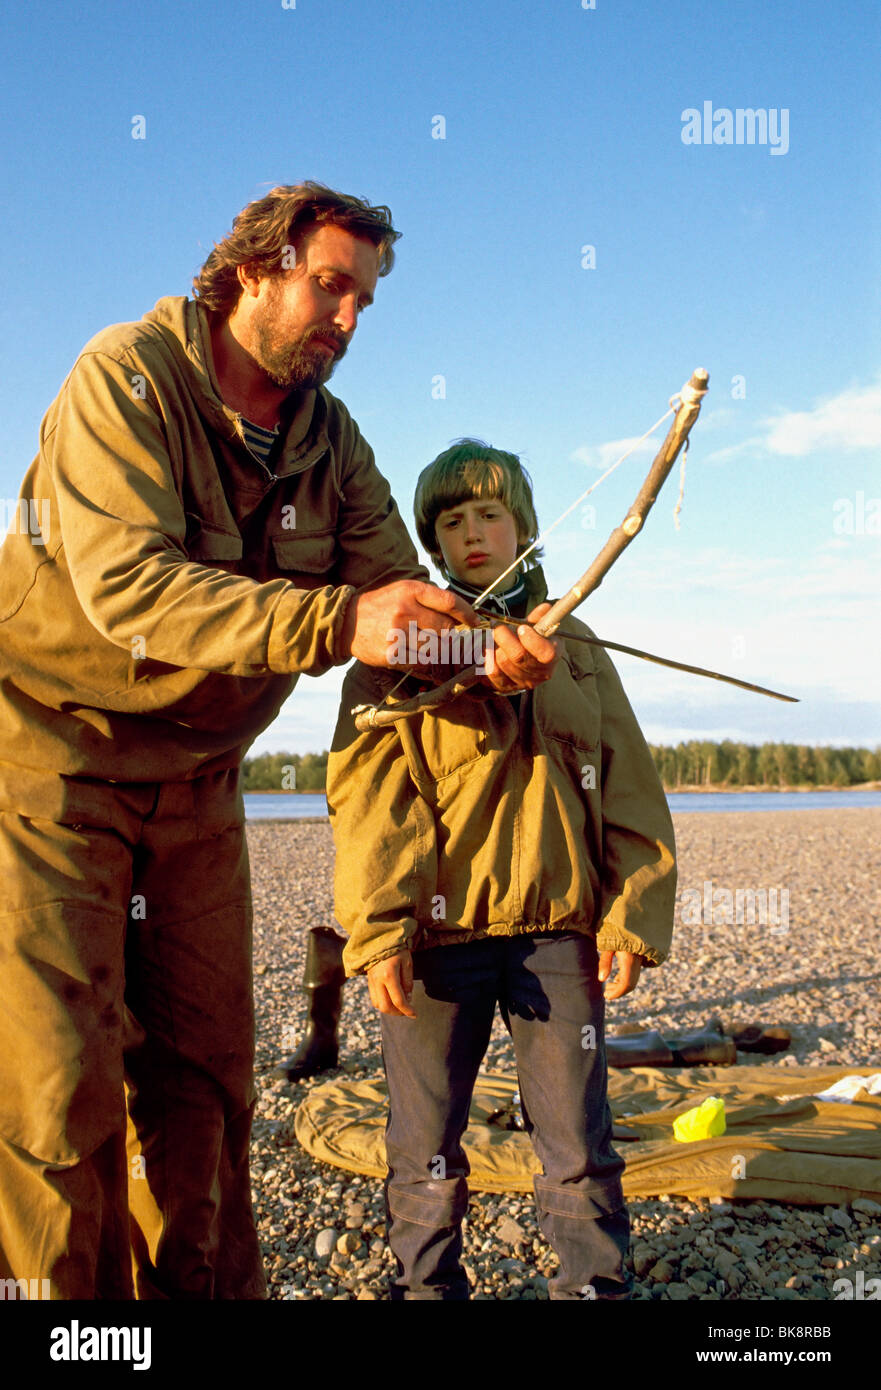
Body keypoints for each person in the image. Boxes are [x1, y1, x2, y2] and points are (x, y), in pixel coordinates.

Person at [0, 187, 557, 1300]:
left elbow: (397, 608)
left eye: (366, 297)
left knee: (208, 1083)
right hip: (44, 765)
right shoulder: (126, 378)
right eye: (329, 284)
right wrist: (342, 620)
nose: (348, 317)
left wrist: (485, 651)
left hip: (200, 783)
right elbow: (135, 593)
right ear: (250, 272)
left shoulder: (331, 442)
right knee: (56, 1098)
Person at [326, 440, 676, 1300]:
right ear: (432, 542)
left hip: (559, 935)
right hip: (435, 940)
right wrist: (377, 933)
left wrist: (632, 910)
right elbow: (369, 798)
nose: (473, 534)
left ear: (524, 523)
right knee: (424, 1145)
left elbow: (628, 780)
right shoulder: (402, 643)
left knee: (576, 1142)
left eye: (489, 514)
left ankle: (593, 1289)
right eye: (451, 521)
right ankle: (426, 1290)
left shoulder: (578, 644)